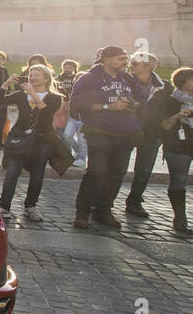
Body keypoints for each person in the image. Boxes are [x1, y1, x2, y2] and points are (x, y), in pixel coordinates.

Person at [70, 44, 143, 229]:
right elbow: (76, 105)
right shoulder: (89, 79)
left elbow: (141, 100)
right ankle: (83, 213)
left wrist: (132, 104)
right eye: (121, 58)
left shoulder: (128, 78)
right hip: (100, 132)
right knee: (96, 173)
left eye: (126, 58)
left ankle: (103, 211)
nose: (126, 62)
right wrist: (107, 107)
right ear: (106, 60)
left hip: (125, 134)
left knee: (117, 174)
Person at [0, 63, 63, 221]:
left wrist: (32, 93)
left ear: (46, 78)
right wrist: (6, 84)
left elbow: (46, 111)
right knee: (12, 172)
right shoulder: (20, 94)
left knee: (37, 174)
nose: (32, 77)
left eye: (36, 75)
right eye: (31, 74)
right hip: (21, 138)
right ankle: (4, 206)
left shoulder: (55, 98)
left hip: (43, 140)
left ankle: (30, 207)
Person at [140, 66, 193, 235]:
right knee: (179, 179)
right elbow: (164, 125)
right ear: (183, 82)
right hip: (177, 143)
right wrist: (179, 115)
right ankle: (180, 219)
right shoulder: (170, 100)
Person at [121, 51, 165, 218]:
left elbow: (165, 111)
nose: (130, 65)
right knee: (118, 167)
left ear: (147, 67)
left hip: (151, 133)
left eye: (134, 63)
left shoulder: (163, 86)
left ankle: (135, 201)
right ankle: (103, 201)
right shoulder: (122, 81)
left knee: (144, 169)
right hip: (125, 130)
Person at [56, 59, 86, 165]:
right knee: (66, 135)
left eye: (70, 68)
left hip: (81, 117)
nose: (68, 69)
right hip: (68, 111)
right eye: (66, 67)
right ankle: (78, 152)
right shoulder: (59, 78)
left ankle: (82, 157)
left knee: (82, 139)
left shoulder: (79, 81)